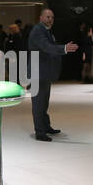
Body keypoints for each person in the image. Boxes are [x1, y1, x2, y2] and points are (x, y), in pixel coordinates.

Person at [27, 8, 78, 141]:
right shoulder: (38, 31)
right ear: (41, 18)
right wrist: (64, 48)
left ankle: (45, 126)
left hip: (43, 73)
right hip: (37, 74)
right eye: (48, 17)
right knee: (38, 104)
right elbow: (46, 47)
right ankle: (40, 132)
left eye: (52, 17)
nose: (50, 19)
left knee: (43, 103)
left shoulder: (46, 31)